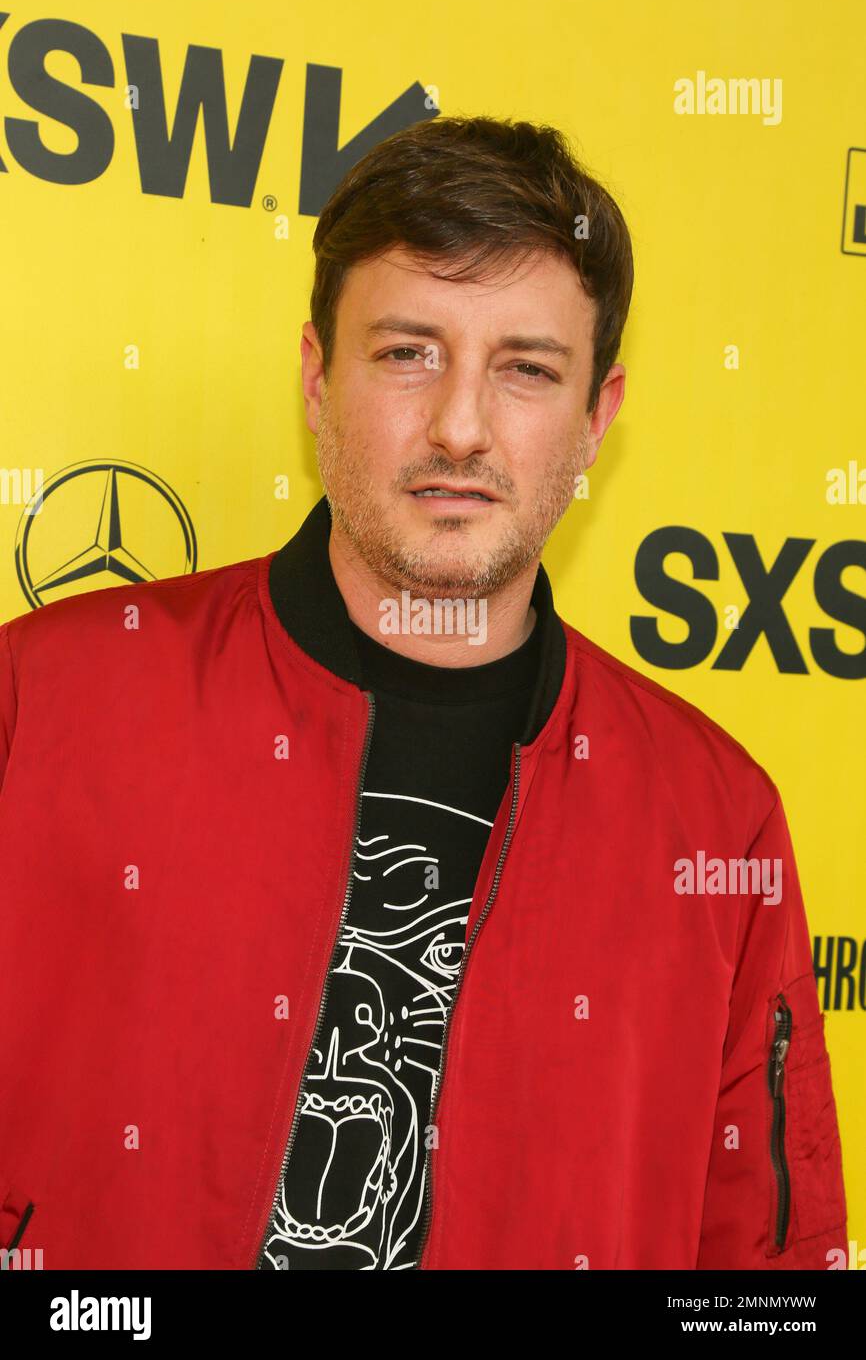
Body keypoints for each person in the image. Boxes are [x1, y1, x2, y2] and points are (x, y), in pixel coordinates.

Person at [0, 116, 847, 1271]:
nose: (458, 426)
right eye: (408, 352)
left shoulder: (711, 817)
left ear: (596, 418)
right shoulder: (46, 702)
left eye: (525, 370)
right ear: (315, 376)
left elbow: (763, 1266)